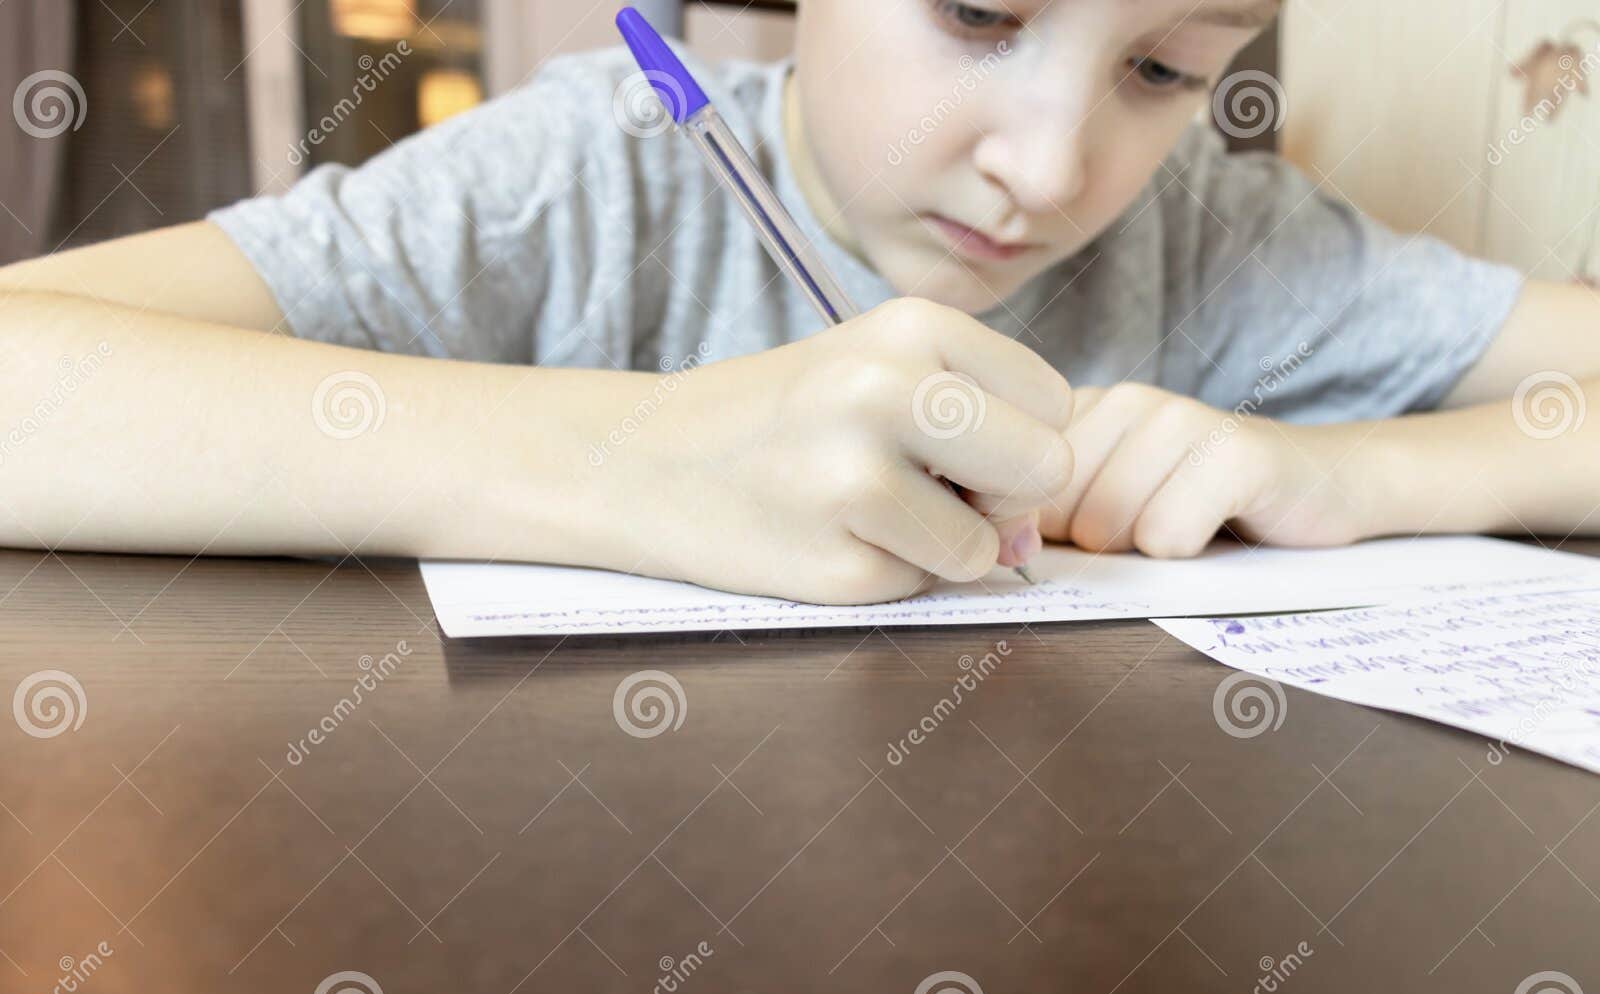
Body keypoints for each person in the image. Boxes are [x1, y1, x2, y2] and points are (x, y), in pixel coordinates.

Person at [2, 0, 1595, 605]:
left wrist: (1370, 469)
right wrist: (632, 458)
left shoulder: (1227, 248)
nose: (1048, 166)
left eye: (1165, 70)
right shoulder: (584, 181)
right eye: (979, 15)